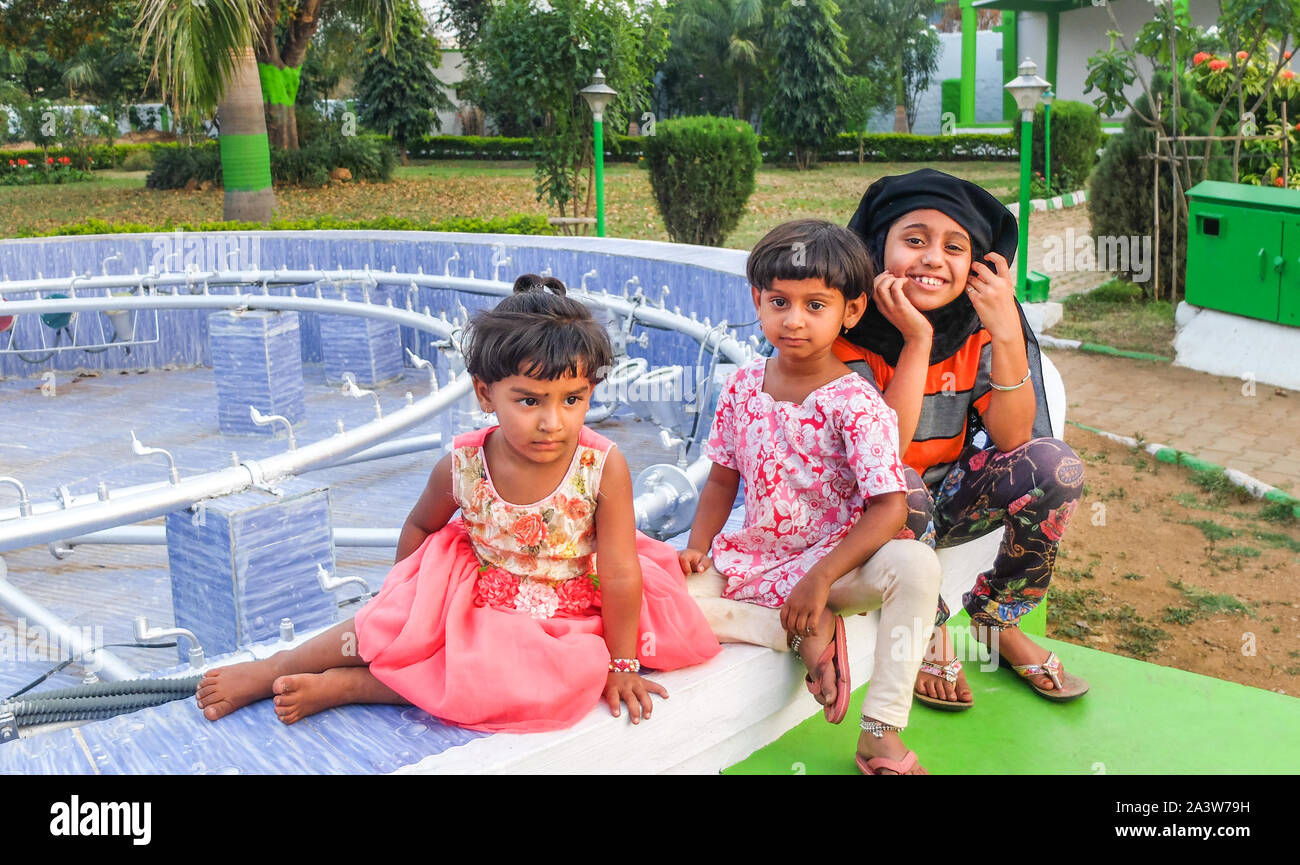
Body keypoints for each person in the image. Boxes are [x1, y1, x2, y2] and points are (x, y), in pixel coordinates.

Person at [195, 276, 720, 733]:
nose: (552, 422)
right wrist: (401, 603)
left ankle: (353, 687)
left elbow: (623, 572)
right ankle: (274, 668)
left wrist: (622, 662)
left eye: (573, 399)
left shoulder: (602, 466)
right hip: (472, 586)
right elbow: (422, 525)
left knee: (526, 679)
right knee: (373, 631)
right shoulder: (464, 464)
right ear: (485, 393)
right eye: (529, 400)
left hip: (564, 605)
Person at [680, 219, 942, 775]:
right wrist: (697, 546)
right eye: (779, 301)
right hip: (755, 558)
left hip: (837, 566)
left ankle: (880, 734)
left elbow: (890, 506)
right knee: (662, 601)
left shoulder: (856, 402)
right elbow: (723, 478)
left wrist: (820, 579)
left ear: (850, 312)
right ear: (757, 299)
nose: (793, 320)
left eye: (815, 306)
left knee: (916, 566)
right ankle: (801, 630)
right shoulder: (742, 386)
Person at [839, 168, 1087, 710]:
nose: (933, 258)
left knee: (1055, 467)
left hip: (941, 502)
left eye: (955, 247)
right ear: (877, 246)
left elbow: (1014, 438)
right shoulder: (842, 324)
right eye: (914, 240)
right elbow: (883, 456)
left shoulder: (974, 326)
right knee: (900, 481)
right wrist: (916, 341)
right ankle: (929, 626)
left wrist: (1003, 328)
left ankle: (998, 617)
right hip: (860, 509)